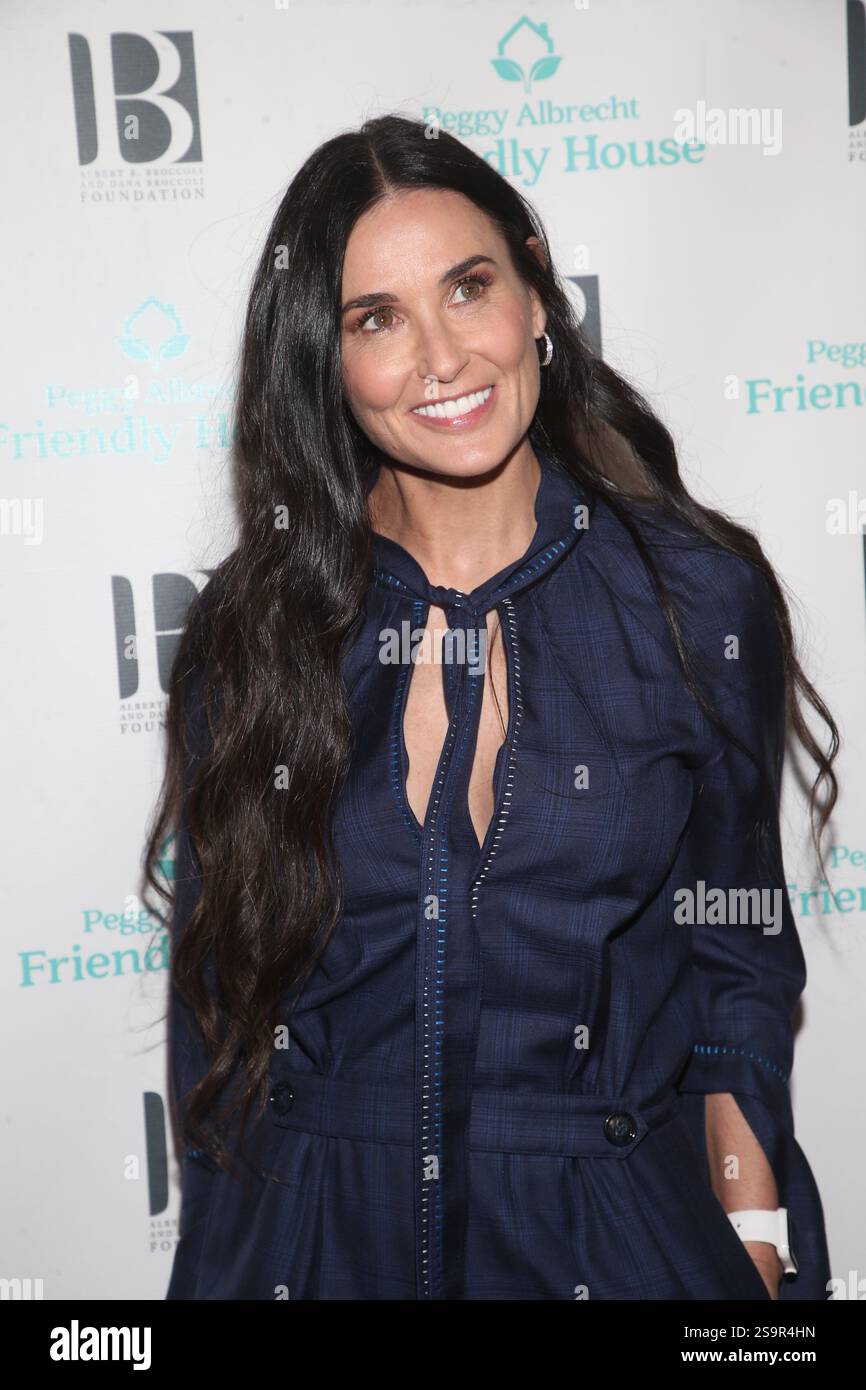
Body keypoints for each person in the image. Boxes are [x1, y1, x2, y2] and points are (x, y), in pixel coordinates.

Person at [145, 113, 838, 1301]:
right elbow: (216, 1020)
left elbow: (732, 958)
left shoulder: (695, 599)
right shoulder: (254, 630)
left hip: (611, 1231)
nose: (441, 358)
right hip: (316, 1236)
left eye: (468, 288)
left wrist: (755, 1237)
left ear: (533, 293)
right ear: (326, 356)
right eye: (377, 319)